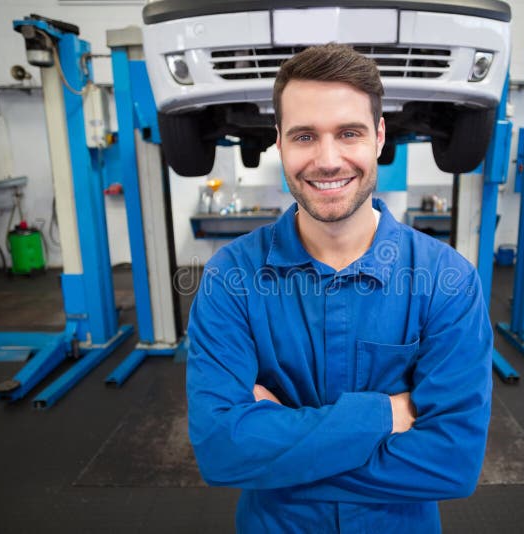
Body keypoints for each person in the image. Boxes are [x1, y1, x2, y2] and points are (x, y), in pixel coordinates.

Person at [187, 43, 493, 533]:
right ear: (281, 143)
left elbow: (452, 463)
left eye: (348, 133)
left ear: (378, 137)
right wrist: (383, 414)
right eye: (305, 135)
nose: (328, 160)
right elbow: (222, 451)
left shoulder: (447, 280)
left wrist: (279, 453)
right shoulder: (231, 279)